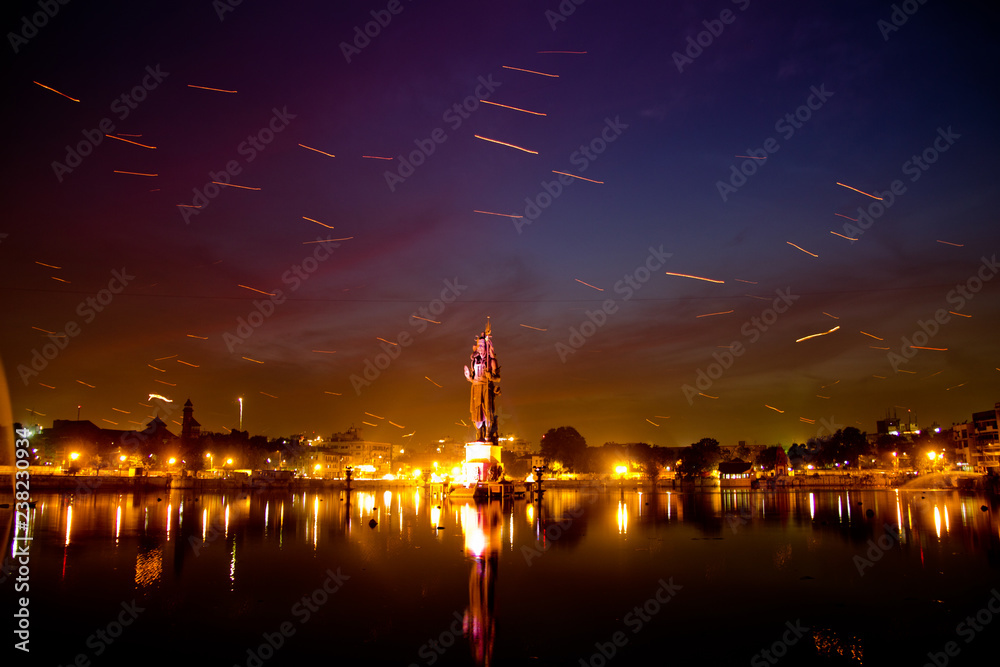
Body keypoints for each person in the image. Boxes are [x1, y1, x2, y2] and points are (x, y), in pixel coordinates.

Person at [464, 327, 500, 443]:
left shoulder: (491, 361)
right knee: (475, 413)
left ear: (486, 347)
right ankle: (479, 435)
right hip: (475, 387)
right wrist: (470, 378)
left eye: (482, 346)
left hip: (486, 387)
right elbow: (473, 376)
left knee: (487, 412)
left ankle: (488, 435)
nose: (480, 348)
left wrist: (490, 376)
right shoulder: (474, 360)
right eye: (478, 346)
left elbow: (498, 378)